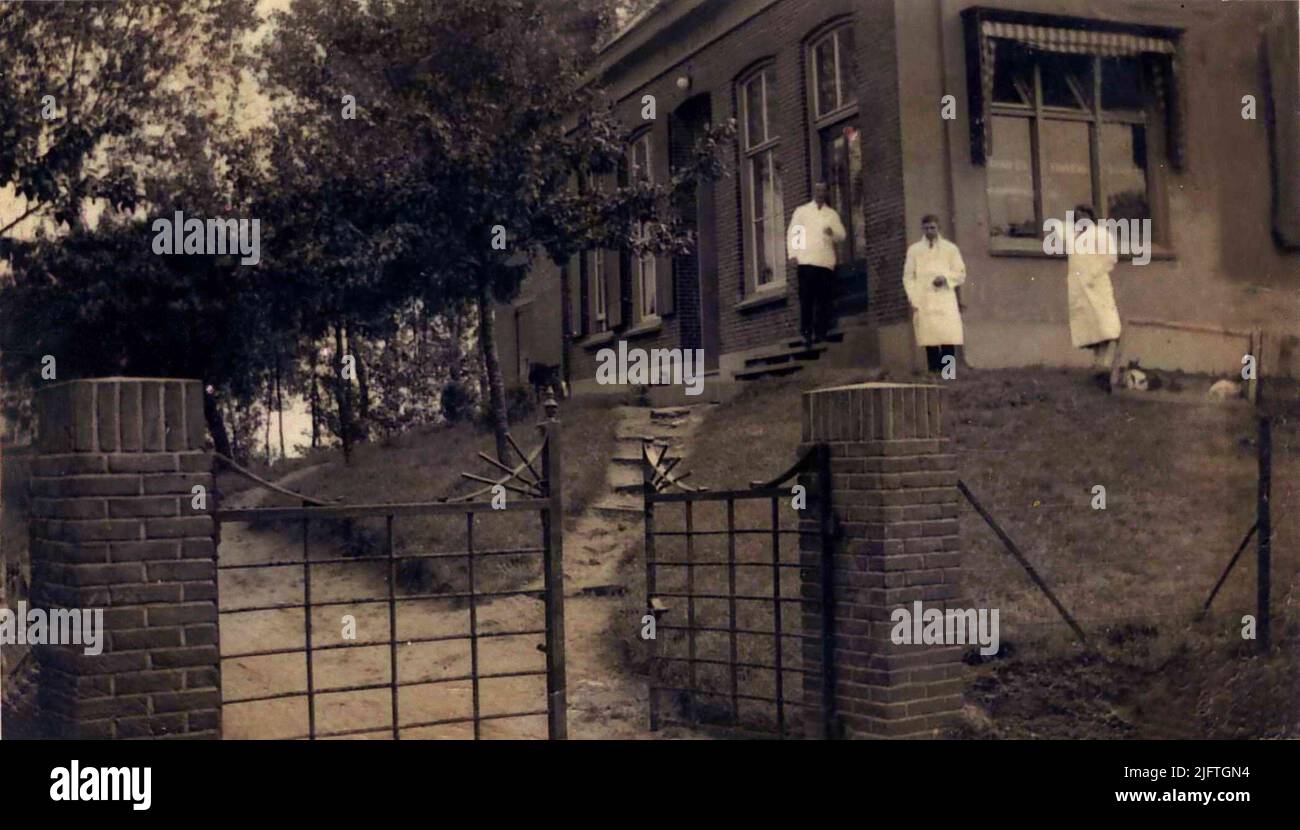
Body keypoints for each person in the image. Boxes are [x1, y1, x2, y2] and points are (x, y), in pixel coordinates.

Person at [1065, 204, 1122, 391]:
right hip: (1081, 292)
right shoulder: (1074, 239)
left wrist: (1092, 276)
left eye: (1084, 216)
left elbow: (1110, 258)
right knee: (1094, 331)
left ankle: (1106, 368)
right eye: (1077, 217)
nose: (1081, 220)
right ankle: (1098, 368)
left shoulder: (1101, 234)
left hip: (1098, 287)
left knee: (1109, 329)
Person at [903, 214, 967, 374]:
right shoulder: (915, 250)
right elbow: (908, 276)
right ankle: (934, 372)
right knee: (929, 336)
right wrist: (914, 297)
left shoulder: (950, 249)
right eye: (926, 228)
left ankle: (948, 373)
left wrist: (945, 278)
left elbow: (960, 273)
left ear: (939, 228)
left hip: (944, 298)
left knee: (947, 335)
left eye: (933, 227)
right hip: (924, 298)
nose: (929, 231)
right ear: (922, 229)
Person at [786, 182, 846, 347]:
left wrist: (832, 233)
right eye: (818, 190)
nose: (820, 193)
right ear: (814, 192)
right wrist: (794, 255)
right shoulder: (802, 211)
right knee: (807, 300)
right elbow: (795, 232)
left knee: (823, 299)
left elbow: (842, 236)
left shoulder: (831, 214)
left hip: (825, 262)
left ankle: (821, 332)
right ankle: (806, 334)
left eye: (823, 190)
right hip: (806, 261)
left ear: (827, 193)